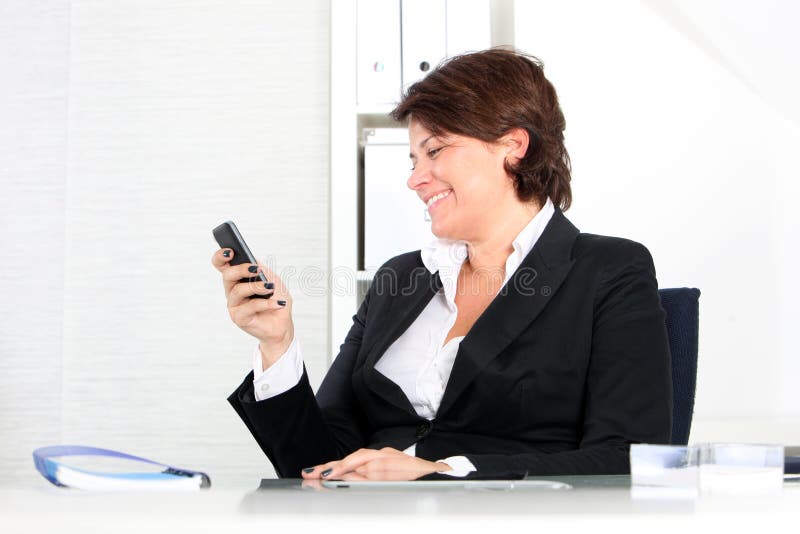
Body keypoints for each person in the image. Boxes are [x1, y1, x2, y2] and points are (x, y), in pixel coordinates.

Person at [213, 48, 672, 481]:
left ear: (513, 145)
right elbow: (316, 466)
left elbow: (627, 460)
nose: (414, 179)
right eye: (413, 159)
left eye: (434, 151)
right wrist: (277, 344)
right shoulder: (400, 278)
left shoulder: (609, 271)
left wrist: (446, 474)